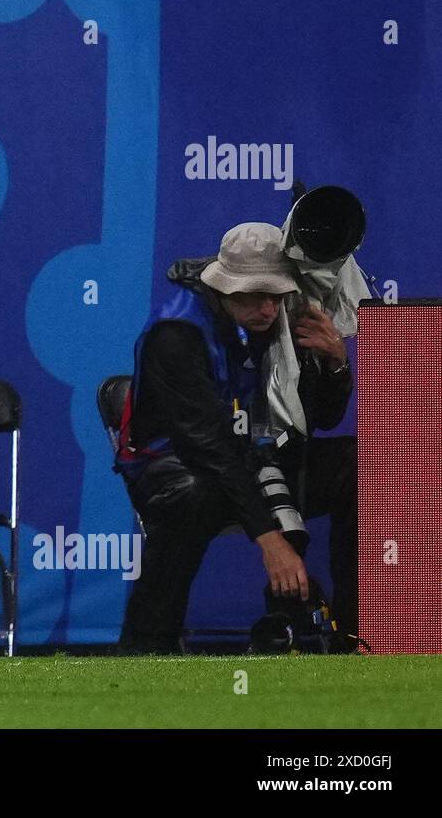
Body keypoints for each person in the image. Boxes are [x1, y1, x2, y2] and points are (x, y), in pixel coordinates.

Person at [116, 222, 357, 654]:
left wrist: (336, 364)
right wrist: (271, 540)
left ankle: (356, 633)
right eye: (253, 294)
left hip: (248, 458)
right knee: (196, 492)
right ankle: (147, 645)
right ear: (225, 287)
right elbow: (208, 446)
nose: (267, 307)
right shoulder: (176, 334)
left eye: (274, 294)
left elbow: (320, 419)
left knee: (359, 465)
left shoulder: (276, 325)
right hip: (170, 464)